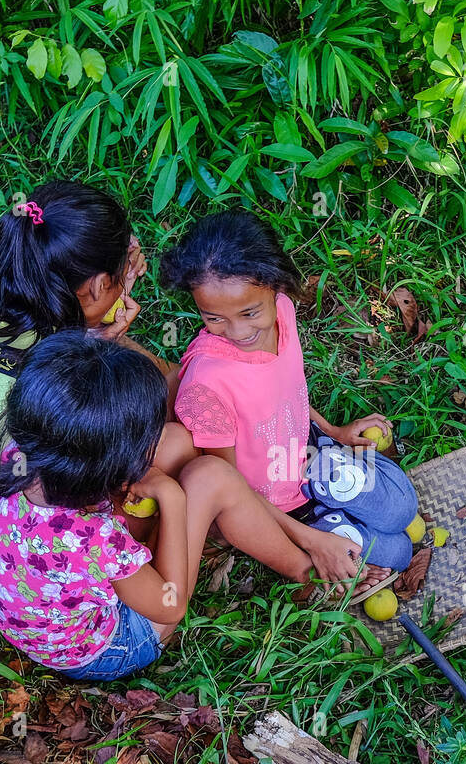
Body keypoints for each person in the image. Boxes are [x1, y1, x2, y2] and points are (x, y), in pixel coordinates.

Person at [0, 331, 316, 681]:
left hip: (45, 605)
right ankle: (307, 573)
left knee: (175, 443)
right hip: (113, 646)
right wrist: (172, 498)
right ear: (107, 466)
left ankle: (222, 534)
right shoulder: (95, 537)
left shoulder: (25, 455)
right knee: (210, 477)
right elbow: (171, 607)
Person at [159, 210, 400, 597]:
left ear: (275, 286)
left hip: (305, 459)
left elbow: (287, 391)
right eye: (213, 318)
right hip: (269, 509)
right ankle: (305, 564)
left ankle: (327, 525)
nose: (237, 331)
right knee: (394, 550)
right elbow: (231, 489)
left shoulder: (284, 313)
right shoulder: (207, 383)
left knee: (398, 512)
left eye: (249, 312)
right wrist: (310, 540)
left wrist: (333, 432)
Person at [0, 180, 177, 531]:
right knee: (178, 438)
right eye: (115, 280)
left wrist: (100, 314)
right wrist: (109, 338)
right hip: (45, 541)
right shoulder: (68, 378)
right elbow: (162, 388)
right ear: (99, 285)